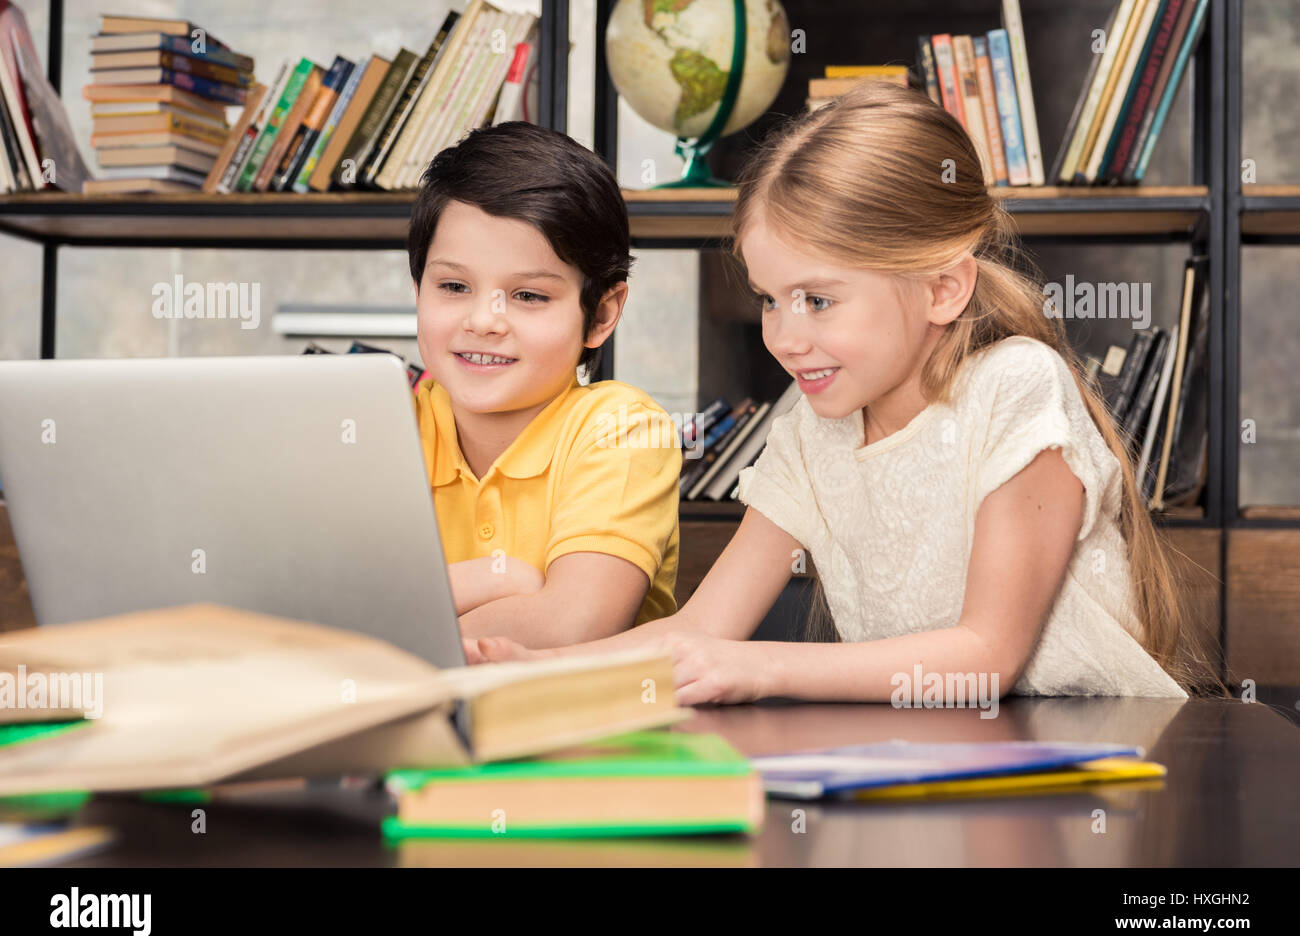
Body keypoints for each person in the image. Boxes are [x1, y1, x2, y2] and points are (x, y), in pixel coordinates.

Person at [465, 83, 1222, 704]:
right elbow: (699, 628)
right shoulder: (809, 428)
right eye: (769, 298)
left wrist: (764, 667)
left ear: (944, 288)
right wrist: (528, 669)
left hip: (1093, 760)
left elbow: (984, 656)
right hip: (933, 757)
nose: (785, 337)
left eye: (818, 300)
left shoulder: (1015, 388)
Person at [409, 122, 679, 647]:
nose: (484, 321)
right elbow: (301, 611)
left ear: (601, 315)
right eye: (454, 286)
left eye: (529, 296)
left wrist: (388, 629)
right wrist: (496, 577)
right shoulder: (383, 426)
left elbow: (571, 625)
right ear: (417, 290)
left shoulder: (624, 429)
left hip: (586, 728)